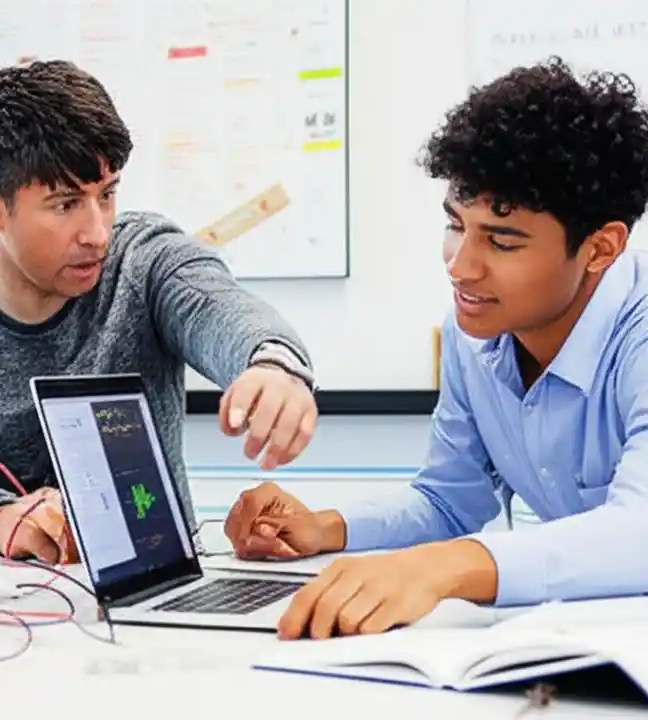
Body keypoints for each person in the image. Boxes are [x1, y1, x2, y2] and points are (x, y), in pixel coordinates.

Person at [224, 57, 648, 639]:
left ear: (601, 248)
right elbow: (450, 501)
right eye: (455, 225)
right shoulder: (473, 337)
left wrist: (443, 567)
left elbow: (639, 531)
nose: (459, 265)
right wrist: (325, 528)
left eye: (500, 240)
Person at [0, 60, 318, 563]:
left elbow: (221, 310)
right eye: (66, 203)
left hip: (154, 601)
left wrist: (274, 365)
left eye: (107, 194)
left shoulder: (145, 259)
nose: (97, 232)